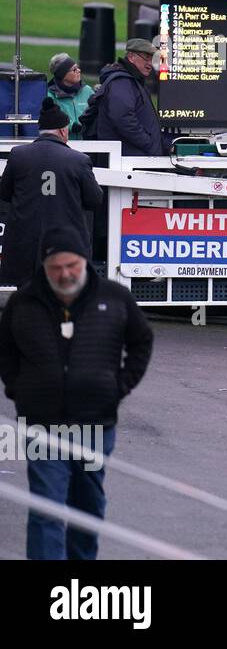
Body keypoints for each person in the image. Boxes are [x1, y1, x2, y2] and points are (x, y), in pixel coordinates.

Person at [0, 227, 153, 560]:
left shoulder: (114, 298)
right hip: (42, 424)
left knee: (87, 505)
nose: (65, 274)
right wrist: (18, 389)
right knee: (46, 506)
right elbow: (5, 350)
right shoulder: (23, 303)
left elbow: (142, 341)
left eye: (71, 265)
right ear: (44, 266)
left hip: (95, 423)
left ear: (84, 261)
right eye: (56, 267)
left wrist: (119, 387)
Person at [0, 99, 103, 288]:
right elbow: (95, 199)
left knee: (28, 299)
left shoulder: (18, 155)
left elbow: (5, 193)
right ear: (64, 131)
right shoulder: (78, 160)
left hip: (25, 244)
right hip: (66, 243)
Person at [93, 39, 163, 156]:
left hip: (136, 157)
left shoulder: (134, 81)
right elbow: (123, 118)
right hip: (129, 160)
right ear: (131, 57)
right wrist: (149, 144)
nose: (150, 63)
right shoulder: (122, 82)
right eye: (146, 57)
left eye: (153, 59)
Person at [45, 54, 93, 139]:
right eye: (74, 69)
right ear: (63, 74)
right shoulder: (50, 95)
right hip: (63, 144)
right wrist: (72, 126)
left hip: (87, 143)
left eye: (78, 67)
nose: (79, 70)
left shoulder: (87, 91)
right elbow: (54, 119)